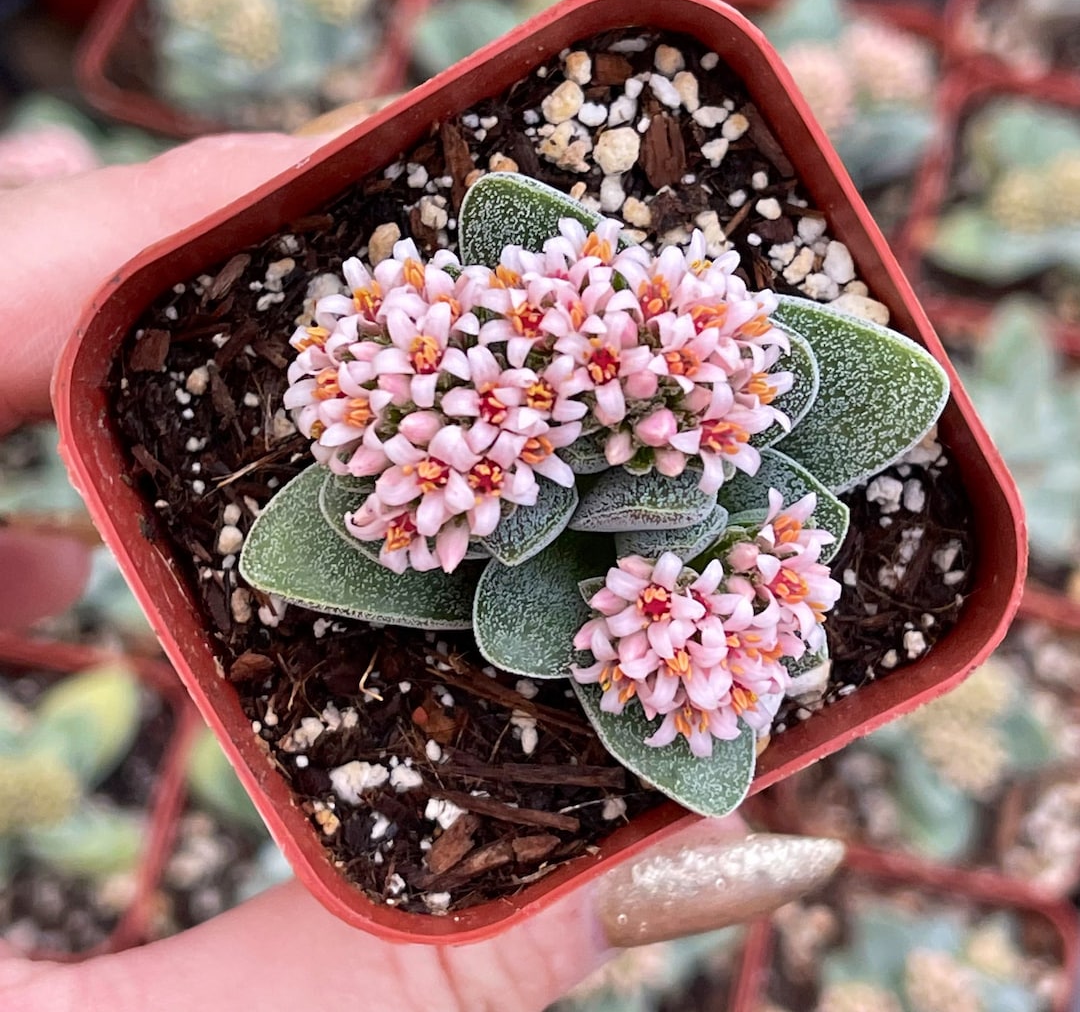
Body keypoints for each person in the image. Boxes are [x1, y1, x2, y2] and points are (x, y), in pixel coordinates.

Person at [0, 131, 844, 1012]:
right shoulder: (512, 422)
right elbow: (526, 473)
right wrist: (504, 433)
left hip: (643, 498)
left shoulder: (618, 429)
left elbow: (587, 461)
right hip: (580, 483)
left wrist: (607, 426)